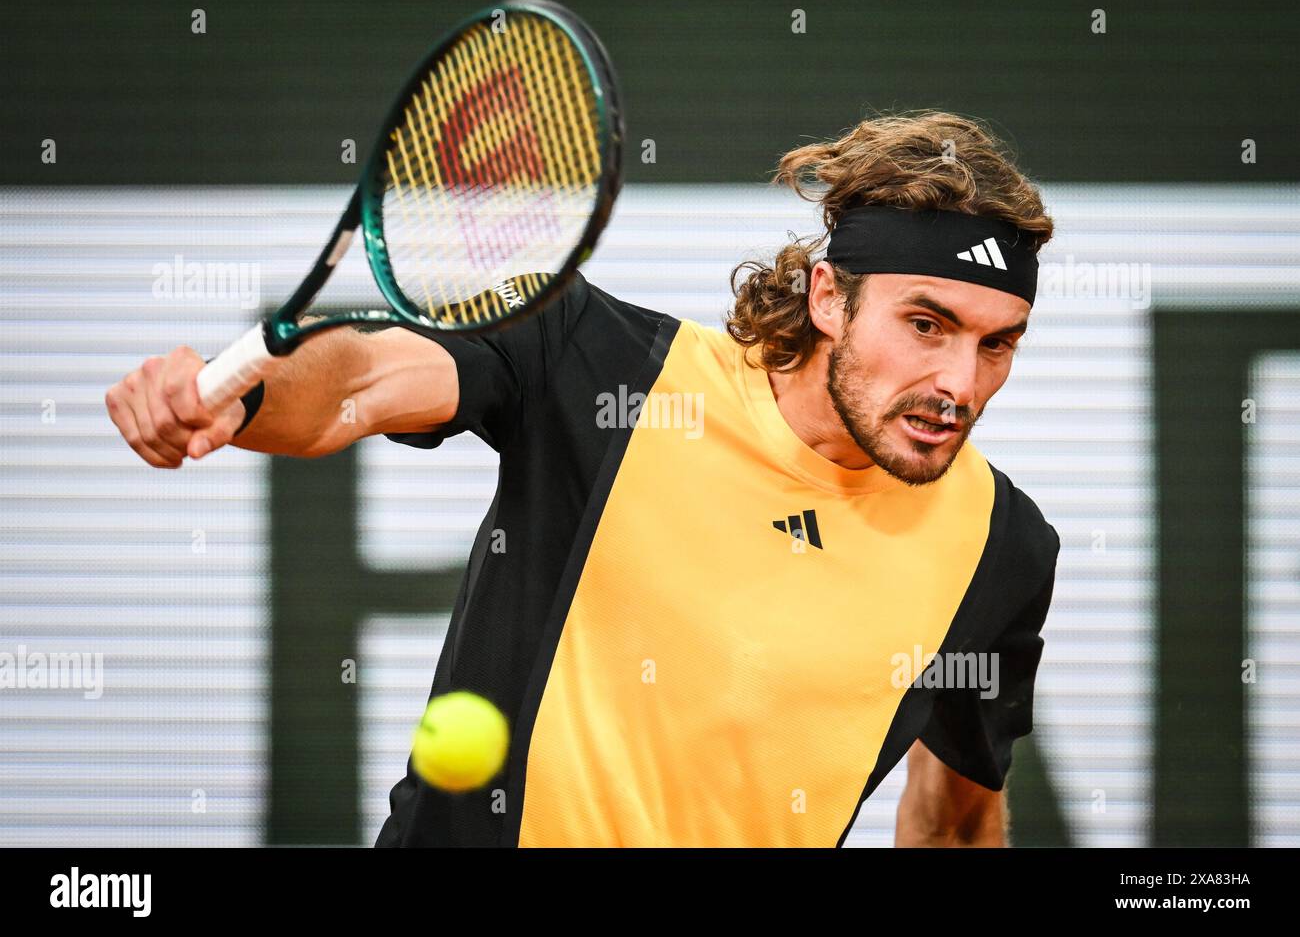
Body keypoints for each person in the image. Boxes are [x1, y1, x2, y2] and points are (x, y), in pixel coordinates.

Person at [105, 111, 1060, 847]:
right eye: (926, 325)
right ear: (826, 298)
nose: (959, 384)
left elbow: (954, 821)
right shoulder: (597, 363)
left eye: (997, 344)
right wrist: (238, 401)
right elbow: (357, 380)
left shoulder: (1000, 543)